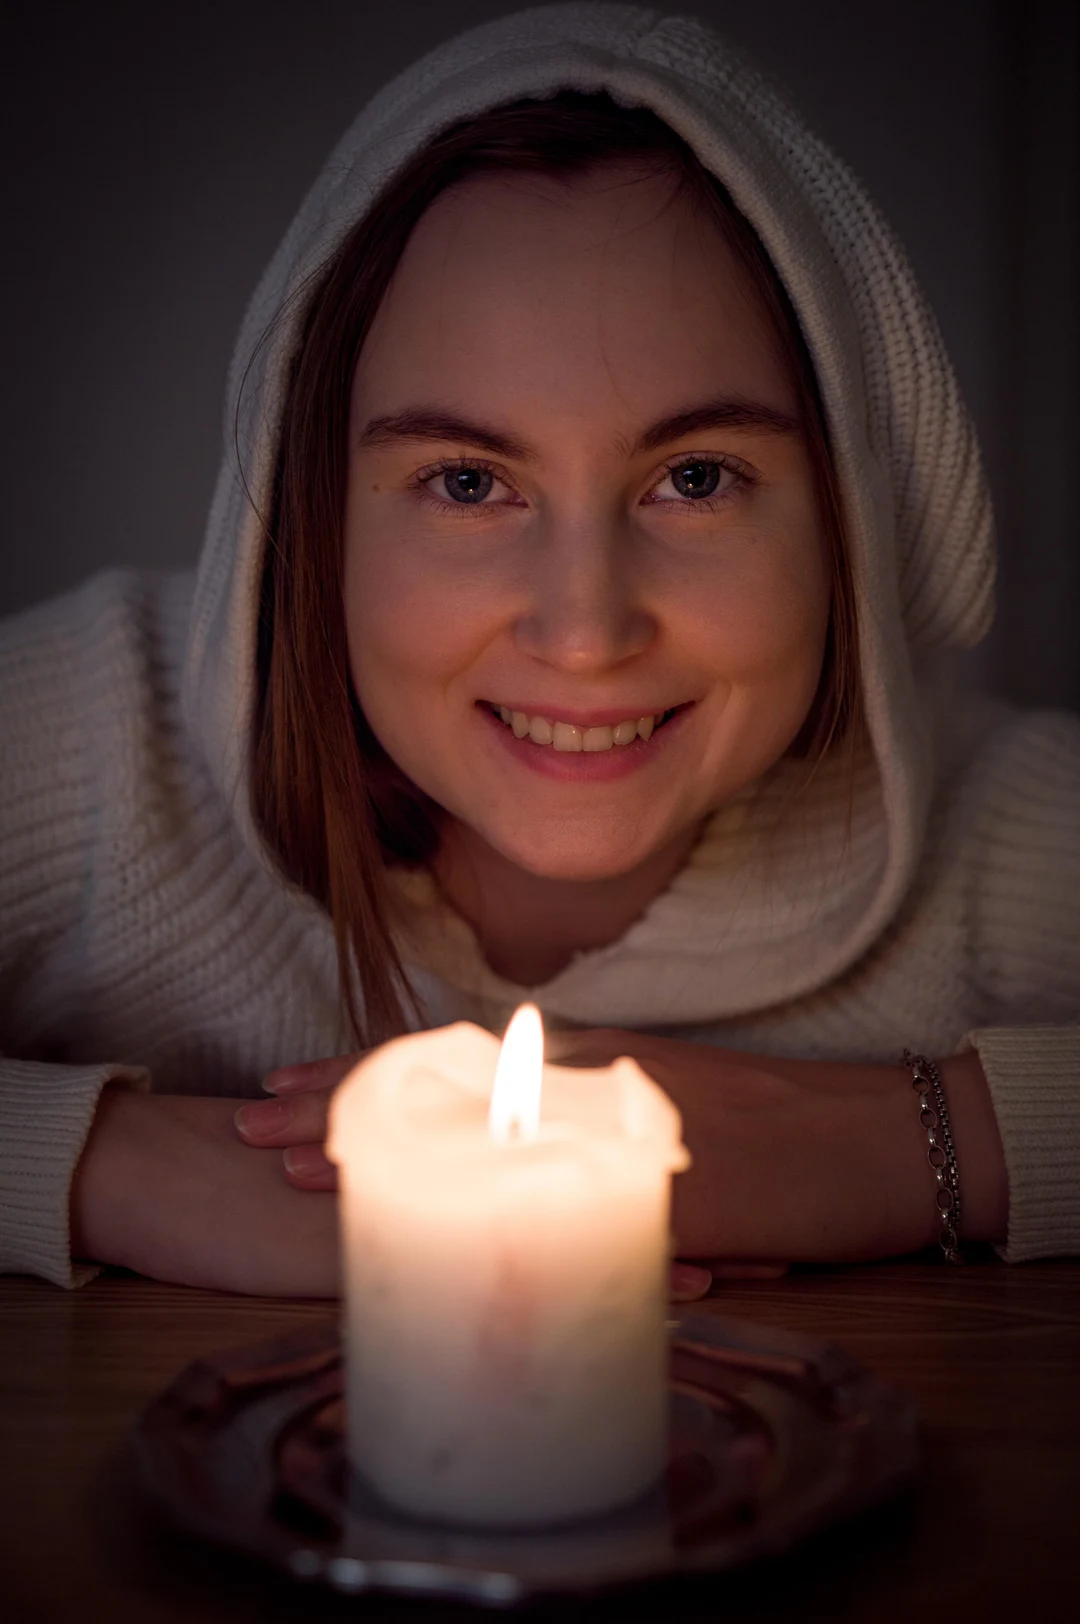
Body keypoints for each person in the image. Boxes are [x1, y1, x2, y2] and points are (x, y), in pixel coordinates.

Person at [1, 3, 1077, 1299]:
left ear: (853, 513)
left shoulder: (994, 835)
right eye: (467, 482)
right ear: (311, 517)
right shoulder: (104, 735)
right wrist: (129, 1170)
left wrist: (885, 1143)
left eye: (695, 477)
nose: (584, 632)